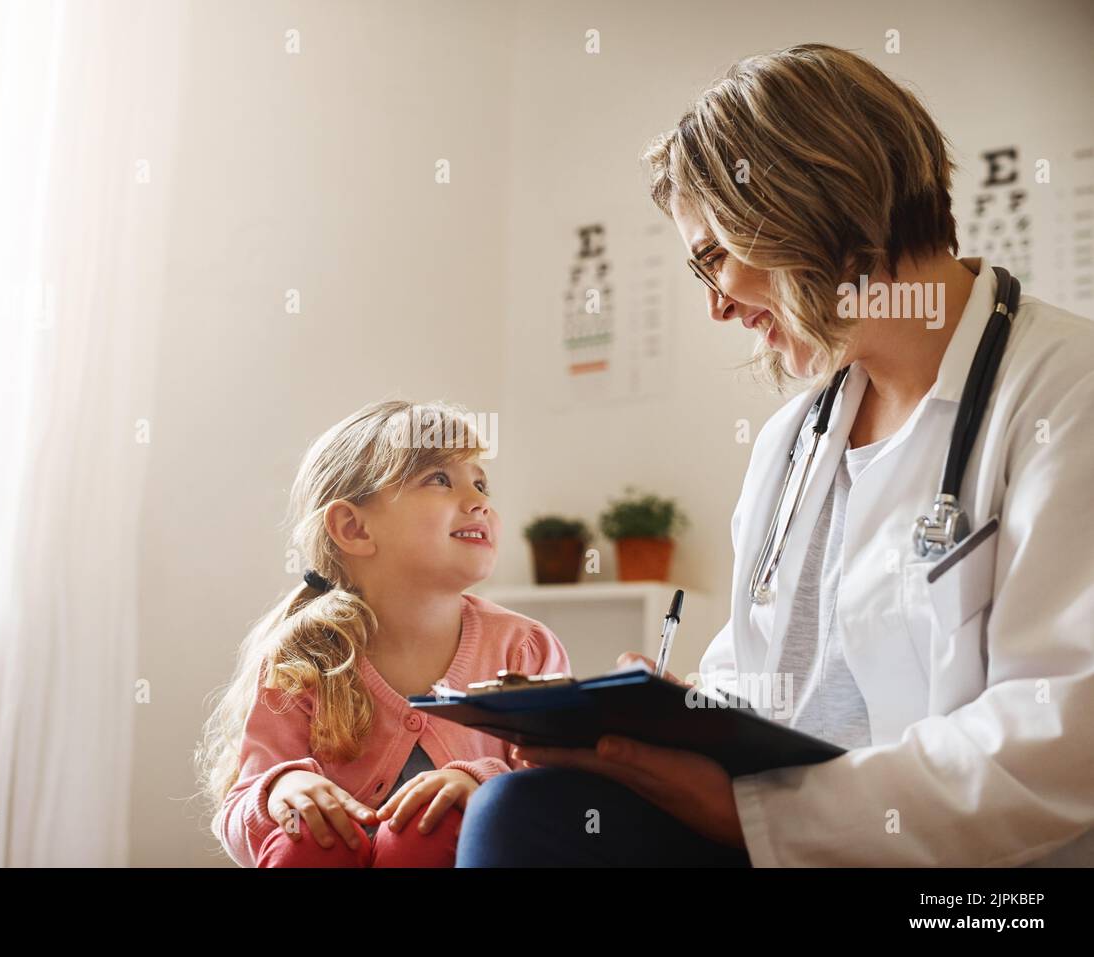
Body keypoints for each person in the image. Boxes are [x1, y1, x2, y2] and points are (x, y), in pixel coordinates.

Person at [456, 43, 1094, 867]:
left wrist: (757, 817)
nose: (718, 306)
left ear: (805, 201)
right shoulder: (795, 442)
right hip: (774, 832)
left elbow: (1064, 736)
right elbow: (769, 678)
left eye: (714, 257)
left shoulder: (1063, 392)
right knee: (528, 811)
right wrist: (682, 714)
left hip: (967, 881)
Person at [198, 399, 572, 867]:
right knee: (306, 841)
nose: (479, 500)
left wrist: (479, 782)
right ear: (353, 528)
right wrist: (279, 790)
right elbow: (239, 806)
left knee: (429, 830)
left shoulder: (524, 648)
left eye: (480, 483)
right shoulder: (304, 656)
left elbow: (560, 790)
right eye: (439, 479)